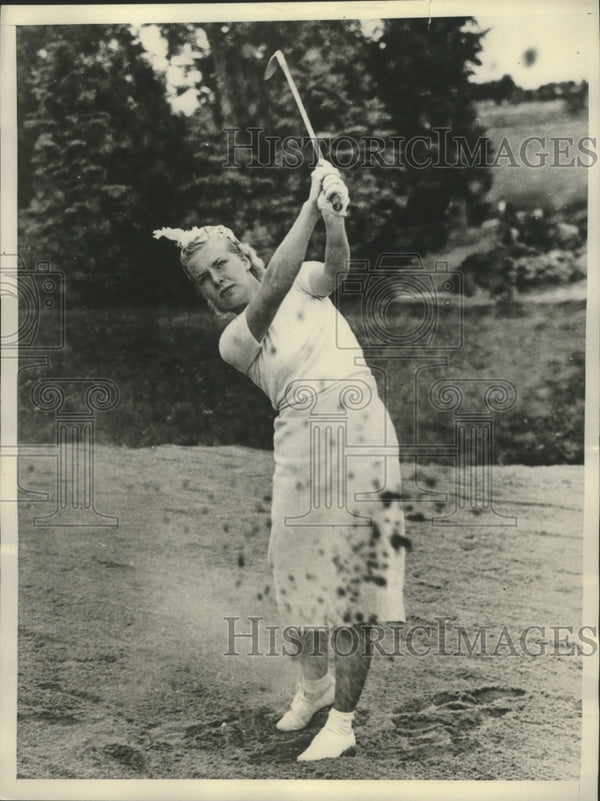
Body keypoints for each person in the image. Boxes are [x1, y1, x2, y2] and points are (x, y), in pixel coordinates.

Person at [154, 161, 409, 762]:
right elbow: (275, 286)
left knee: (351, 585)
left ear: (244, 256)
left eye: (221, 264)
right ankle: (314, 687)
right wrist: (309, 203)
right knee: (295, 580)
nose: (215, 281)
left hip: (360, 433)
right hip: (300, 447)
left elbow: (336, 268)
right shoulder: (235, 336)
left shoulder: (304, 279)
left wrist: (334, 217)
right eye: (202, 279)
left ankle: (342, 722)